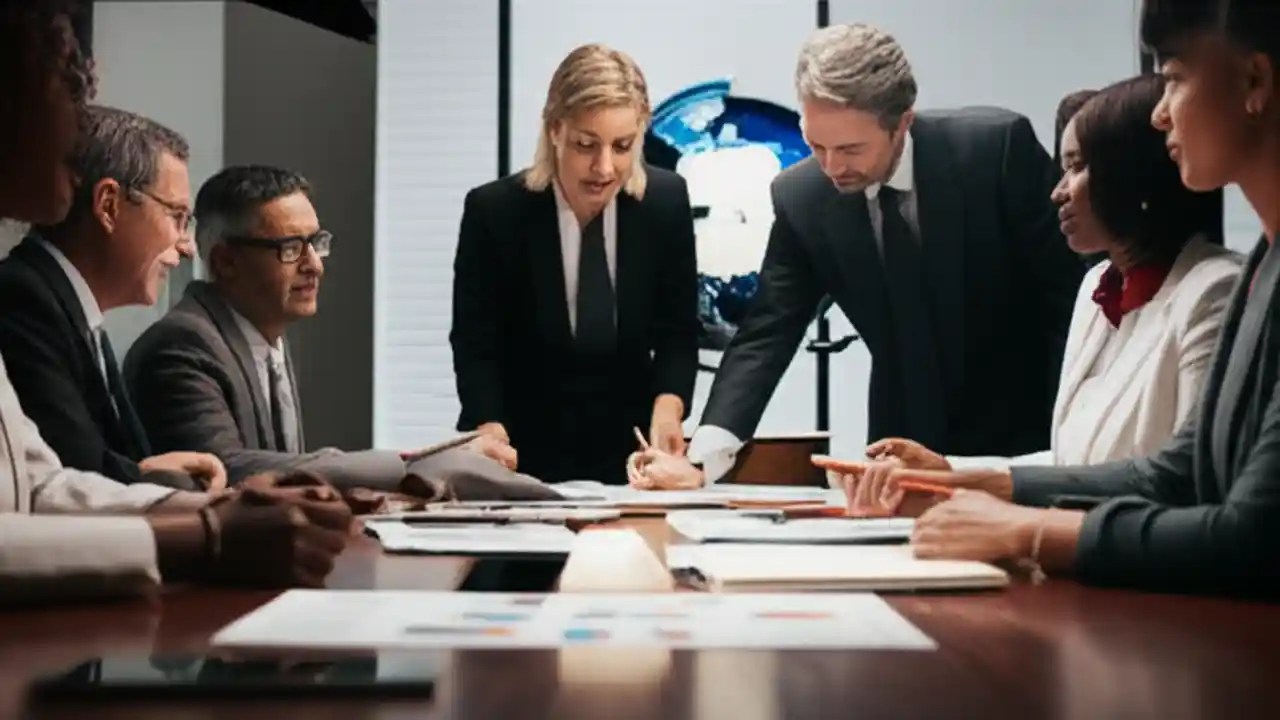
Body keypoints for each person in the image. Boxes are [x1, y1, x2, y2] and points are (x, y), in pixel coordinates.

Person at [836, 0, 1280, 595]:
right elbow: (1177, 470)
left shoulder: (1218, 285)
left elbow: (1249, 536)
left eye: (1173, 78)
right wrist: (965, 484)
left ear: (1255, 81)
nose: (1160, 117)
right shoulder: (1259, 266)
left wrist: (1029, 530)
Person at [630, 23, 1085, 489]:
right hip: (900, 452)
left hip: (1028, 441)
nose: (831, 167)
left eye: (850, 148)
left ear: (903, 122)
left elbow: (1069, 305)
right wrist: (702, 460)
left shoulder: (994, 152)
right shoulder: (802, 195)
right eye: (815, 145)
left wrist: (1072, 447)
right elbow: (766, 333)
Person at [0, 0, 352, 603]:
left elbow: (41, 487)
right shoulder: (28, 298)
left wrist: (204, 511)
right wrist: (208, 530)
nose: (82, 118)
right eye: (67, 82)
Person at [861, 76, 1240, 473]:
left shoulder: (1213, 290)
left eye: (1076, 167)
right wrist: (946, 471)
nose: (1058, 191)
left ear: (1132, 172)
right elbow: (1069, 466)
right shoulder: (1097, 288)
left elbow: (1187, 481)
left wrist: (977, 492)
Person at [125, 164, 530, 493]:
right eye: (290, 248)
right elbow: (225, 469)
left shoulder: (265, 338)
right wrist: (419, 465)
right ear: (226, 262)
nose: (314, 265)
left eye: (316, 242)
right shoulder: (181, 346)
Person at [450, 43, 698, 485]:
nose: (604, 167)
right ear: (554, 130)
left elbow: (678, 332)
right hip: (523, 459)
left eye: (622, 146)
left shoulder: (665, 202)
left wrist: (669, 407)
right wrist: (487, 425)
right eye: (586, 145)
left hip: (633, 459)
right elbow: (475, 343)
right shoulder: (495, 212)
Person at [0, 104, 227, 490]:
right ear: (108, 205)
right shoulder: (22, 299)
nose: (187, 246)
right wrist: (159, 481)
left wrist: (147, 471)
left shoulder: (68, 307)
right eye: (177, 216)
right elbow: (74, 477)